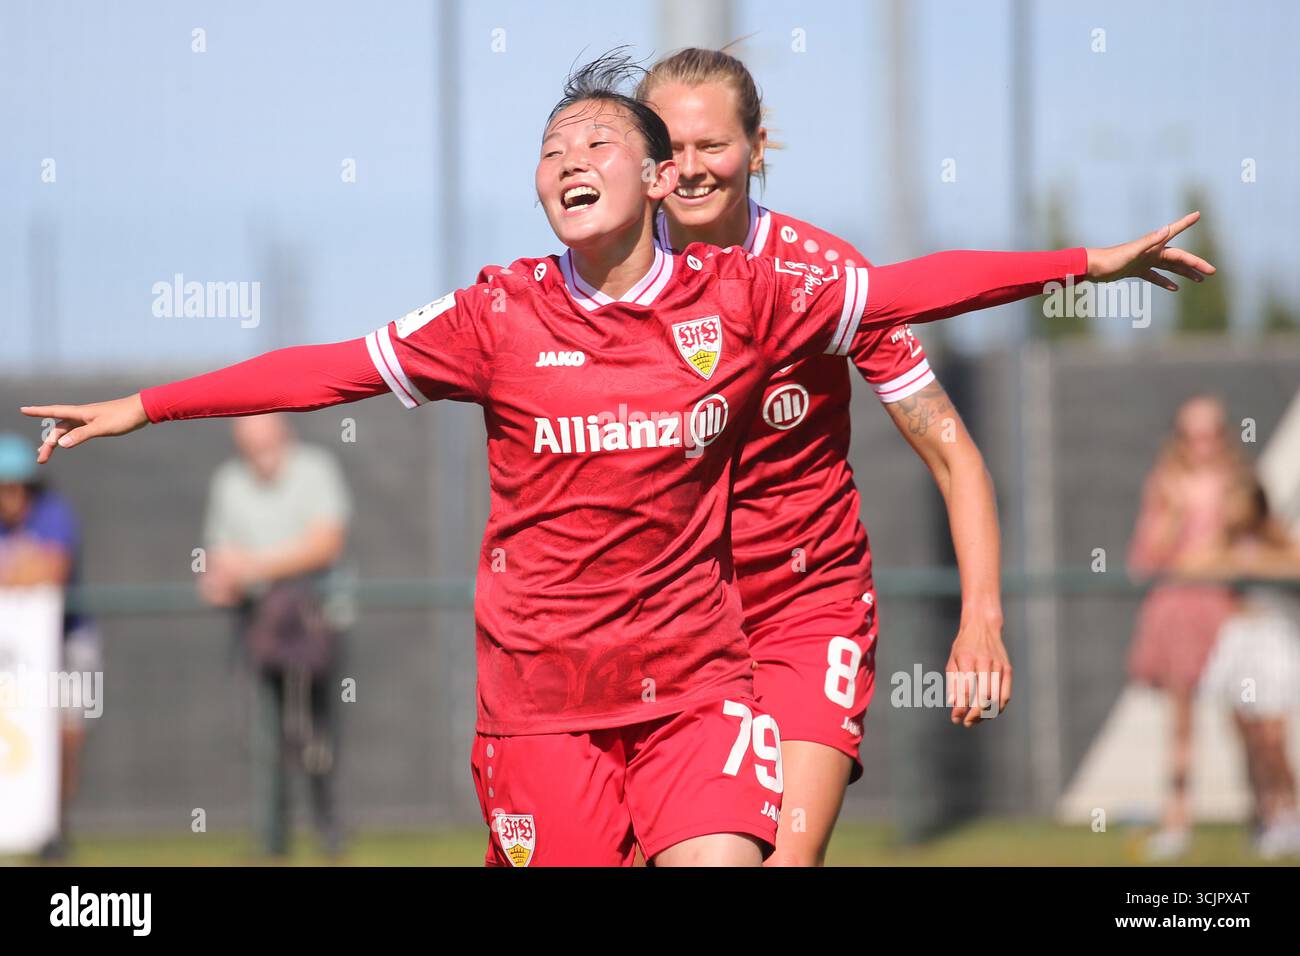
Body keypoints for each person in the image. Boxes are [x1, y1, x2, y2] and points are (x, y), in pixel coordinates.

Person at [20, 52, 1214, 867]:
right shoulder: (498, 314)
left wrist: (1083, 263)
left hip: (745, 640)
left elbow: (924, 299)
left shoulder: (775, 290)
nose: (679, 163)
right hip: (552, 689)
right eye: (557, 146)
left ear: (744, 151)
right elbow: (326, 368)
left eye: (675, 143)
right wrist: (145, 403)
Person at [639, 47, 1008, 866]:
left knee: (785, 856)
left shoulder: (824, 276)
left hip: (810, 608)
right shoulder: (609, 284)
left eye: (714, 146)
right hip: (672, 623)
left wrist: (980, 618)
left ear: (758, 148)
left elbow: (954, 455)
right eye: (671, 149)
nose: (692, 170)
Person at [197, 415, 352, 858]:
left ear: (285, 435)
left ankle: (328, 829)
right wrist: (224, 577)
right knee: (265, 738)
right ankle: (272, 836)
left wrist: (255, 567)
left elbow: (325, 544)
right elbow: (220, 557)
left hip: (314, 627)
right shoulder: (228, 482)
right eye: (249, 444)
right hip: (258, 628)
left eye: (266, 442)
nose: (260, 453)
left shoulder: (317, 469)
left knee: (316, 738)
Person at [1126, 395, 1247, 860]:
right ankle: (1176, 822)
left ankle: (1275, 817)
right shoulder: (1165, 485)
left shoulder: (1239, 486)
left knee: (1252, 721)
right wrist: (1174, 515)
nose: (1202, 445)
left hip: (1229, 611)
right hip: (1178, 612)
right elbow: (1146, 558)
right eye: (1191, 435)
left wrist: (1210, 558)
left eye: (1211, 433)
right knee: (1180, 726)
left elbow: (1251, 548)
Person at [1183, 475, 1300, 858]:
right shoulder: (1225, 543)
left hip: (1274, 640)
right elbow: (1188, 566)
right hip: (1239, 644)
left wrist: (1255, 562)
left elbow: (1292, 565)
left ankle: (1288, 816)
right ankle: (1263, 816)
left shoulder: (1277, 538)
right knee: (1248, 736)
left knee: (1272, 737)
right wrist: (1233, 557)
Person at [0, 431, 102, 860]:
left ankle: (53, 828)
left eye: (20, 487)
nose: (13, 497)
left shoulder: (55, 515)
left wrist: (21, 569)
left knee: (66, 738)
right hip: (13, 655)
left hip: (70, 645)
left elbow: (51, 572)